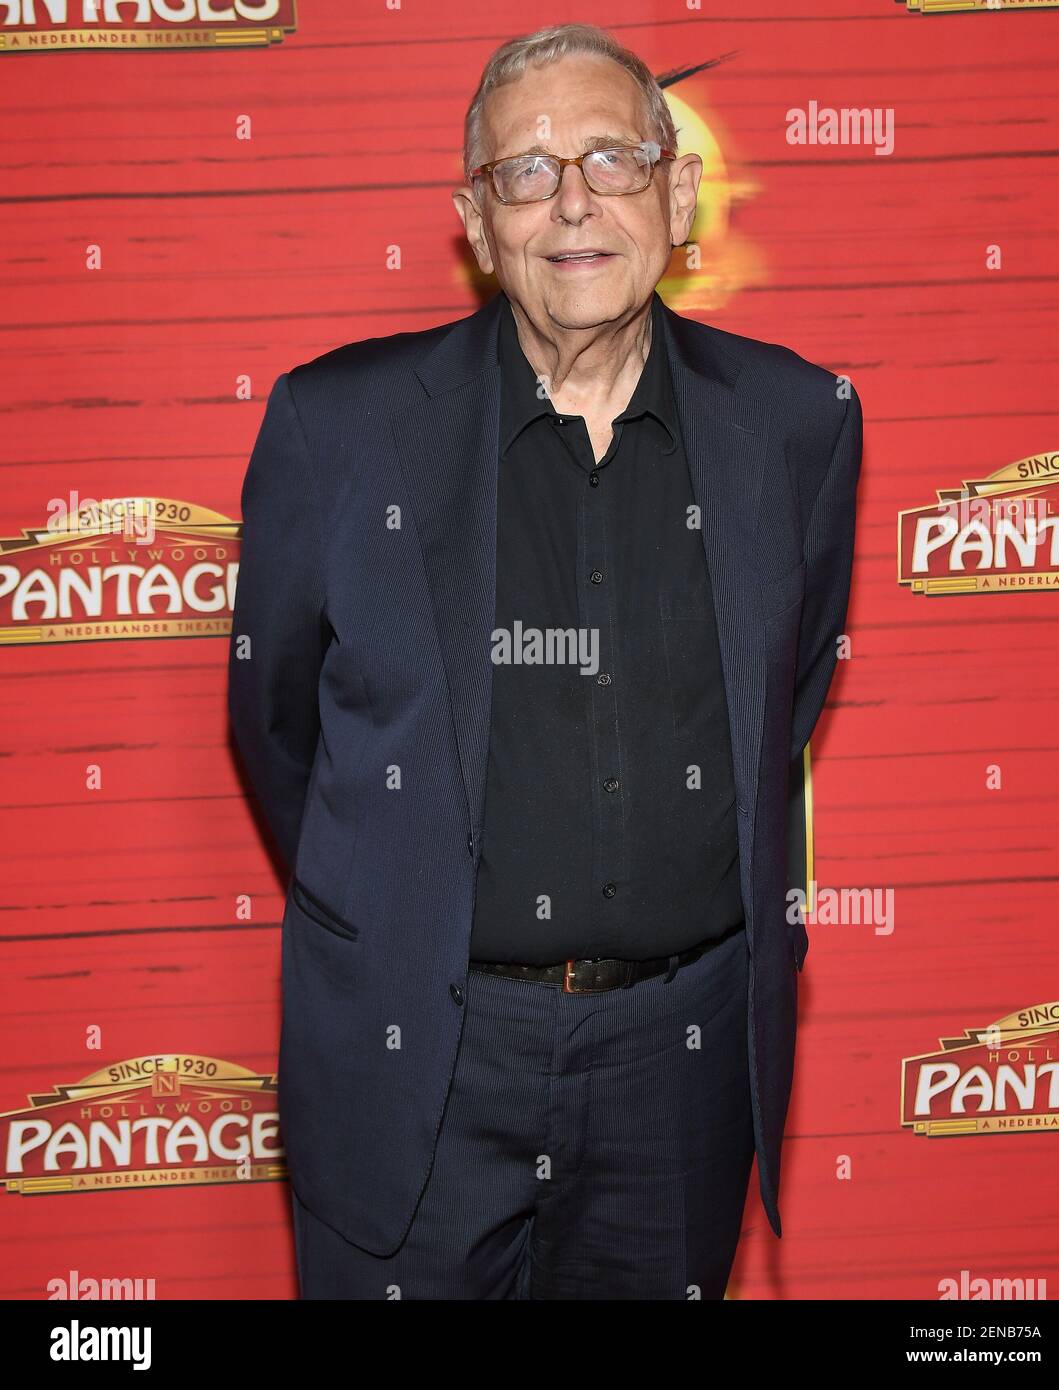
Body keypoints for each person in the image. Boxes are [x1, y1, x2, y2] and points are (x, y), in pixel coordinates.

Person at [229, 20, 863, 1300]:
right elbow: (276, 724)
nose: (570, 203)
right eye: (523, 171)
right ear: (474, 218)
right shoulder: (334, 428)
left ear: (678, 193)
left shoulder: (797, 425)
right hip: (422, 1055)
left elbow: (779, 697)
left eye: (611, 160)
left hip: (673, 1068)